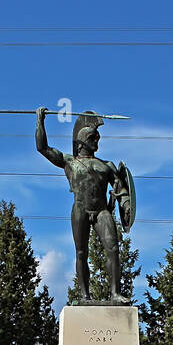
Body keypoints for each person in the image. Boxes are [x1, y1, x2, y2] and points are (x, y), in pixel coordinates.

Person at [35, 106, 134, 302]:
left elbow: (121, 189)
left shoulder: (106, 166)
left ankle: (115, 293)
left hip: (102, 211)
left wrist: (126, 205)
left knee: (113, 249)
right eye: (92, 138)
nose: (96, 141)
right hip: (80, 209)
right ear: (81, 142)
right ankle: (84, 295)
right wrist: (40, 121)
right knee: (81, 253)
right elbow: (42, 148)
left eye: (97, 138)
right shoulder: (69, 162)